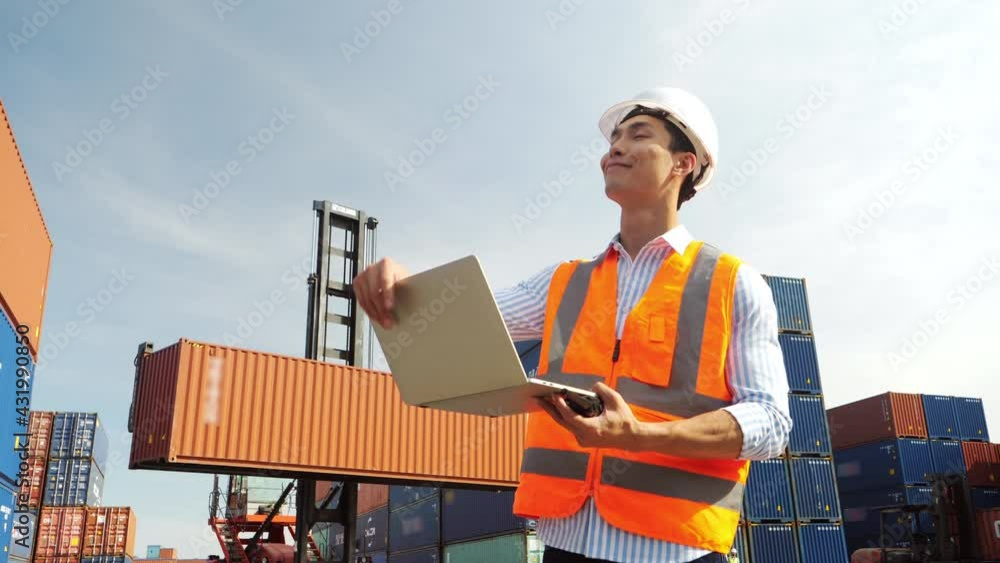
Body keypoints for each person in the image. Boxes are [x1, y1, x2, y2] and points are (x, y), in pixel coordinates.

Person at [353, 87, 791, 563]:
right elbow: (462, 320)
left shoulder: (733, 283)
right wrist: (404, 284)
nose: (613, 149)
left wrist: (641, 437)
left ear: (684, 163)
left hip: (677, 551)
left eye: (637, 135)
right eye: (612, 140)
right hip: (565, 546)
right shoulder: (562, 283)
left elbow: (770, 423)